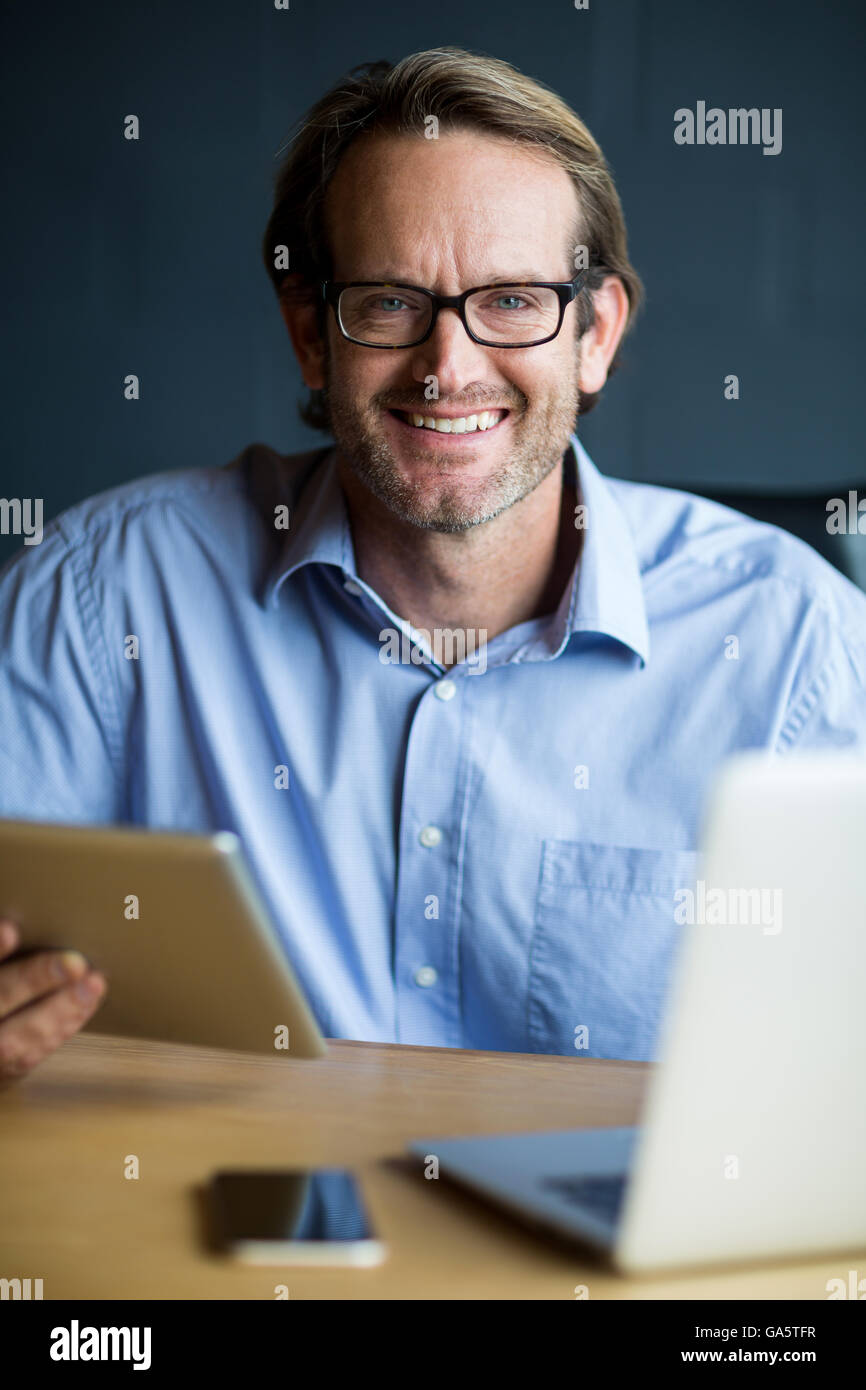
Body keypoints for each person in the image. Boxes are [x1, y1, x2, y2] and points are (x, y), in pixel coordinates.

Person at [1, 47, 864, 1086]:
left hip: (618, 1254)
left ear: (592, 334)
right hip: (214, 1235)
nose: (447, 367)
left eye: (509, 300)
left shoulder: (795, 645)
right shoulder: (106, 593)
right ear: (312, 341)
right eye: (390, 302)